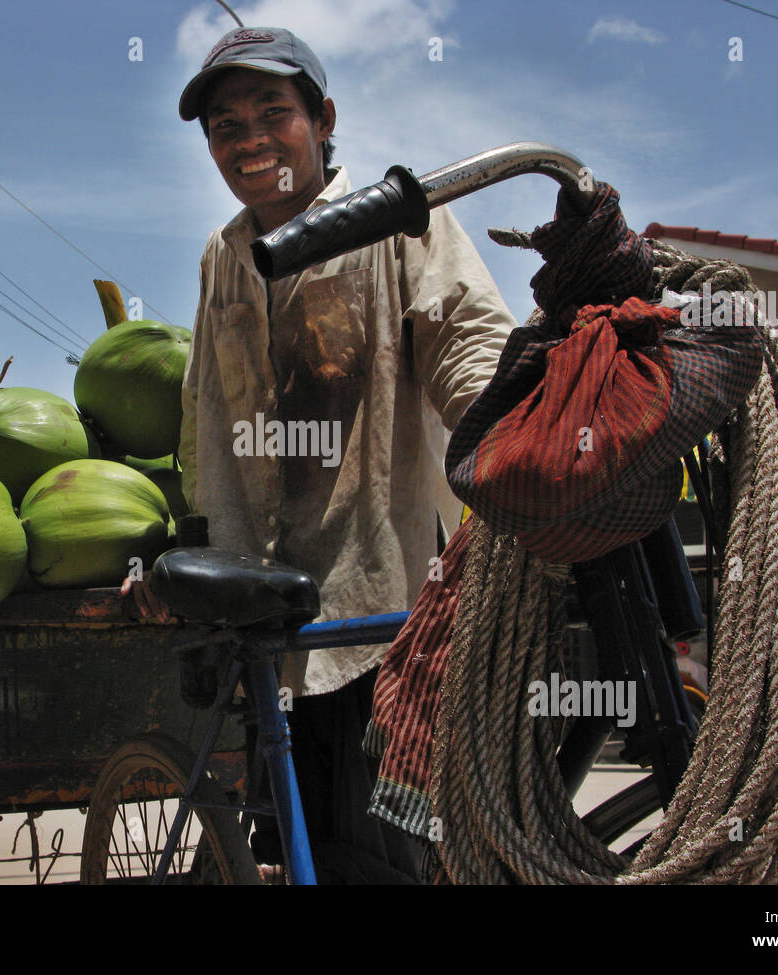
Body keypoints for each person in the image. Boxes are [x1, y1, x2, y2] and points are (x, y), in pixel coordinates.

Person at [129, 26, 518, 883]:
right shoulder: (221, 257)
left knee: (377, 854)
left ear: (323, 118)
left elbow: (467, 337)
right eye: (226, 126)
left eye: (275, 111)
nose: (251, 138)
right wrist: (181, 539)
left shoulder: (398, 221)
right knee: (272, 842)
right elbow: (201, 410)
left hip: (373, 600)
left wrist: (509, 437)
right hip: (258, 605)